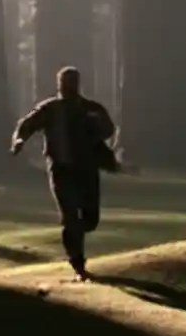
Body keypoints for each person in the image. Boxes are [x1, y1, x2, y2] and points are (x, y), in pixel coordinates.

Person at [10, 66, 117, 281]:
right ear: (59, 84)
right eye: (64, 83)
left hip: (87, 170)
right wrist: (19, 140)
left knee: (90, 218)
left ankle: (77, 242)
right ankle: (77, 262)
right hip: (61, 169)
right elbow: (27, 125)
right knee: (70, 217)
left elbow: (108, 130)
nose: (68, 87)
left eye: (72, 82)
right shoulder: (51, 109)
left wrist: (96, 125)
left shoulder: (90, 108)